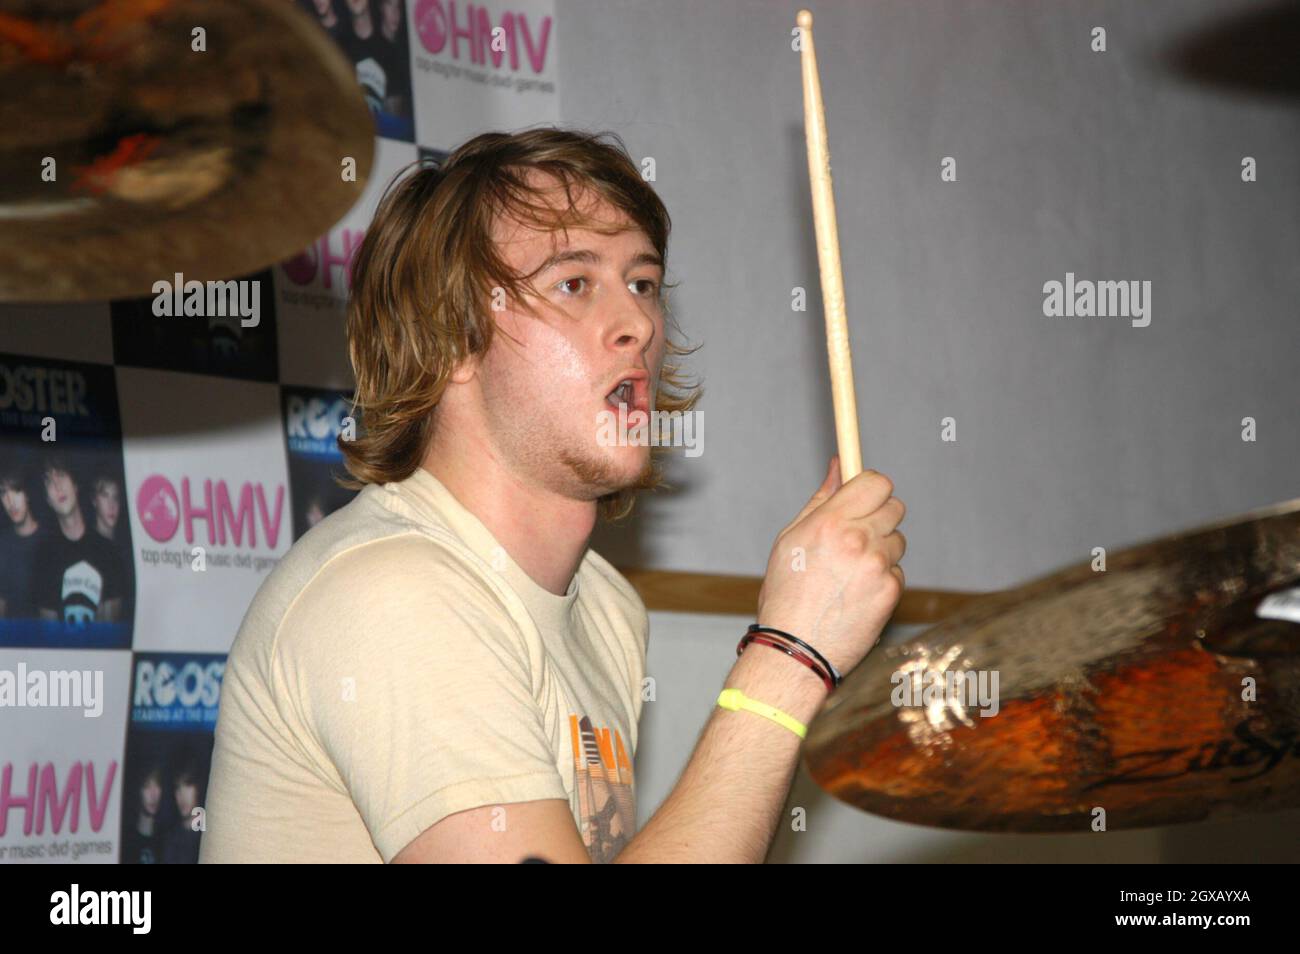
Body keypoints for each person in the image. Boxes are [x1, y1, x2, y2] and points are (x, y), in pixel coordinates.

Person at [201, 128, 905, 864]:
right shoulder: (393, 592)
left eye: (642, 283)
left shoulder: (605, 607)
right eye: (574, 283)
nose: (637, 323)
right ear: (448, 340)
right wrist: (791, 657)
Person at [33, 455, 124, 627]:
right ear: (47, 500)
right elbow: (49, 634)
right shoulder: (44, 557)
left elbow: (109, 633)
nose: (57, 486)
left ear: (75, 485)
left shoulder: (108, 553)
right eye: (49, 482)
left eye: (61, 476)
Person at [0, 457, 48, 619]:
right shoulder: (3, 545)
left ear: (27, 494)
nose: (10, 502)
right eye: (3, 493)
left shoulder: (49, 539)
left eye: (16, 490)